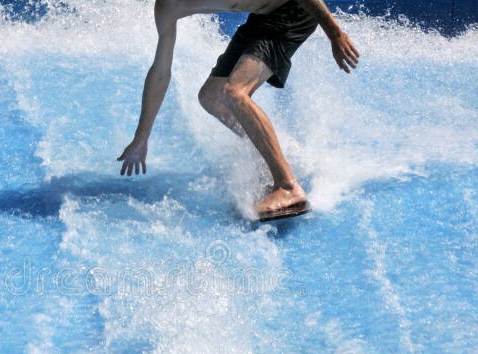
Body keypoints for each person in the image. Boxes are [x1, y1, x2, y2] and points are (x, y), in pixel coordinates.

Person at [117, 0, 359, 220]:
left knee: (234, 92)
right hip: (262, 19)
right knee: (211, 97)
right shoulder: (167, 7)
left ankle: (288, 186)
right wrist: (141, 137)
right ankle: (280, 155)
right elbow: (160, 73)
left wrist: (335, 33)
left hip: (294, 11)